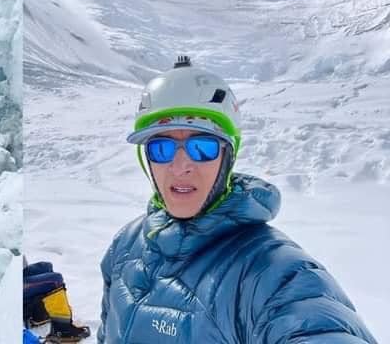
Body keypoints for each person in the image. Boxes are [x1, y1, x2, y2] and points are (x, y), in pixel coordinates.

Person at [97, 55, 375, 343]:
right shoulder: (126, 245)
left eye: (202, 147)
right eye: (161, 148)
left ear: (228, 156)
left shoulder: (271, 272)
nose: (180, 167)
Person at [24, 260, 89, 342]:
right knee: (55, 280)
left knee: (46, 266)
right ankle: (63, 330)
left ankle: (37, 314)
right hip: (13, 285)